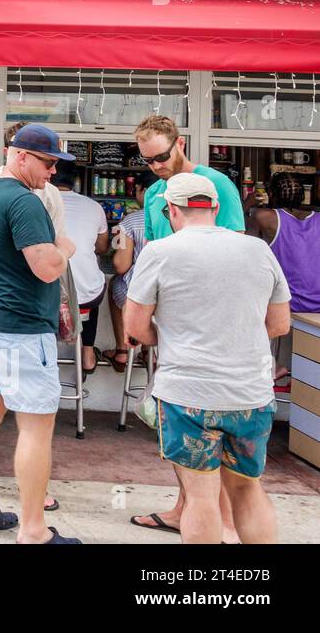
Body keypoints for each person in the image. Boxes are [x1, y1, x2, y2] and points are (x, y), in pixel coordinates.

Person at [123, 172, 291, 544]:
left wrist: (169, 340)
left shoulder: (160, 252)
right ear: (215, 207)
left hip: (188, 394)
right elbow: (279, 324)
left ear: (170, 211)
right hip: (250, 394)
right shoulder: (257, 249)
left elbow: (135, 327)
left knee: (201, 498)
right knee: (248, 490)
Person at [0, 123, 80, 544]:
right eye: (48, 163)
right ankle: (34, 529)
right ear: (20, 155)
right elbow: (46, 266)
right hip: (22, 328)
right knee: (35, 427)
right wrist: (65, 248)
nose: (52, 174)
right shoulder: (24, 202)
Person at [129, 114, 244, 539]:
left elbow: (231, 251)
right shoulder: (156, 192)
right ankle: (185, 507)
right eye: (148, 160)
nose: (157, 166)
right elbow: (157, 255)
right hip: (171, 321)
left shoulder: (214, 186)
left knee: (217, 423)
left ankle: (225, 522)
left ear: (180, 144)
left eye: (161, 156)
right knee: (174, 421)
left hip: (210, 324)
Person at [246, 171, 320, 384]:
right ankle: (288, 372)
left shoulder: (265, 217)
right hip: (317, 306)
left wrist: (248, 202)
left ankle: (271, 370)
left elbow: (240, 240)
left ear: (271, 193)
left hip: (287, 304)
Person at [51, 164, 109, 373]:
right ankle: (88, 352)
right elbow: (102, 247)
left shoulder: (38, 202)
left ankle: (44, 354)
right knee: (90, 286)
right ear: (75, 182)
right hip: (87, 296)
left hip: (49, 297)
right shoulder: (94, 206)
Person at [101, 171, 157, 371]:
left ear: (141, 191)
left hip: (139, 295)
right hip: (170, 296)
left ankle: (122, 351)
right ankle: (150, 351)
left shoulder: (130, 221)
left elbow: (120, 265)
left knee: (116, 283)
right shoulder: (176, 218)